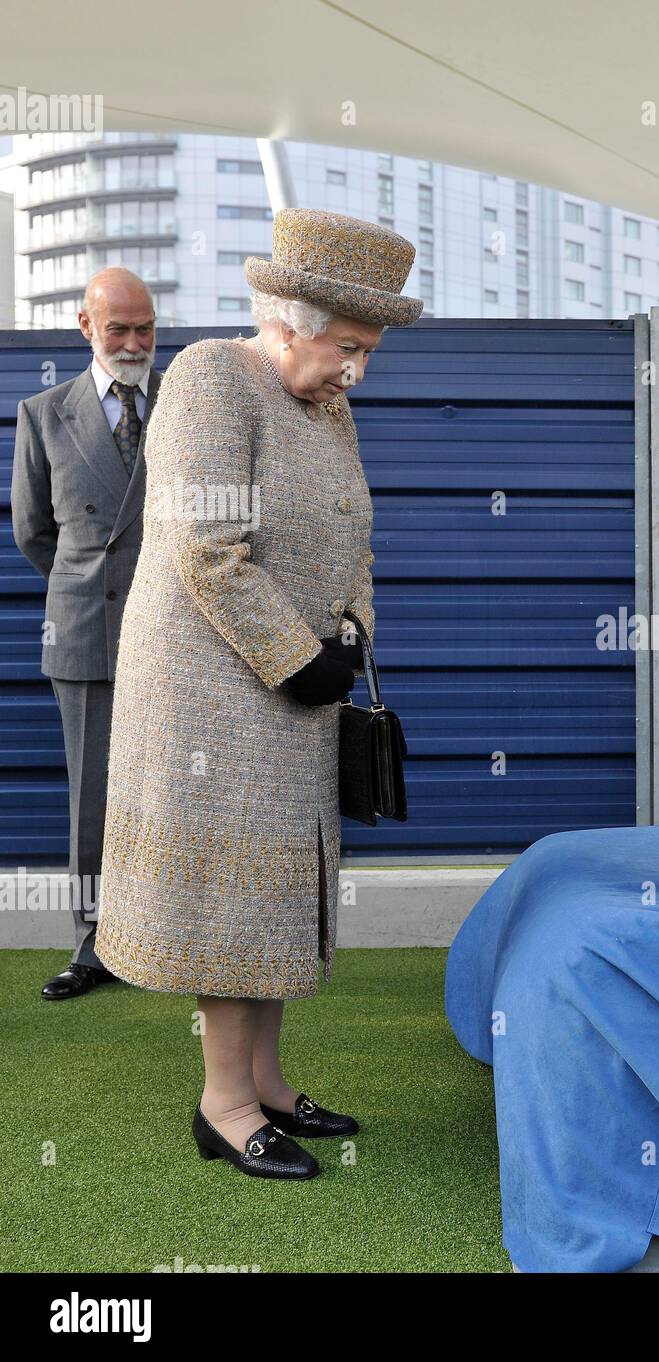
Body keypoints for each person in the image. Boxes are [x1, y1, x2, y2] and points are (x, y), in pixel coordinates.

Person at [94, 209, 423, 1180]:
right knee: (232, 898)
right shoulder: (206, 378)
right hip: (211, 688)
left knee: (278, 888)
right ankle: (224, 1104)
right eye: (348, 347)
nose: (356, 369)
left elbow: (353, 527)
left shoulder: (325, 404)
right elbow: (205, 545)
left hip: (292, 681)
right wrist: (297, 654)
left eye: (368, 352)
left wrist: (352, 629)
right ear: (287, 321)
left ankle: (269, 1084)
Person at [10, 268, 162, 1000]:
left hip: (175, 633)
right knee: (93, 797)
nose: (134, 343)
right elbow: (34, 533)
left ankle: (168, 938)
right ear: (84, 327)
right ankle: (95, 944)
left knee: (175, 791)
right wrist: (89, 585)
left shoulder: (187, 405)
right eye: (118, 330)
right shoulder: (42, 412)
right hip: (85, 630)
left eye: (146, 328)